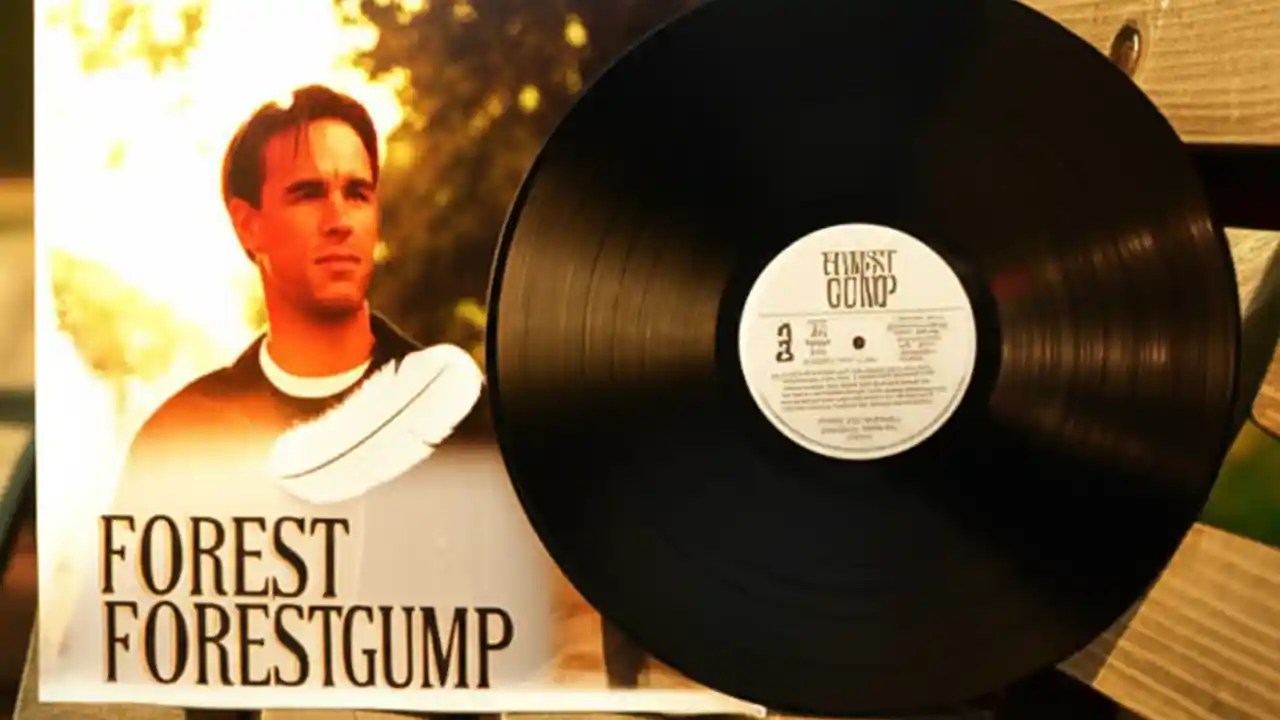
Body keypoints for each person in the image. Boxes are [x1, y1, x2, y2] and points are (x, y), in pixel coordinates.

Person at [119, 84, 478, 496]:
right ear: (248, 225)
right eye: (308, 195)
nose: (339, 220)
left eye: (357, 194)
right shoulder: (180, 439)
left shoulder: (462, 420)